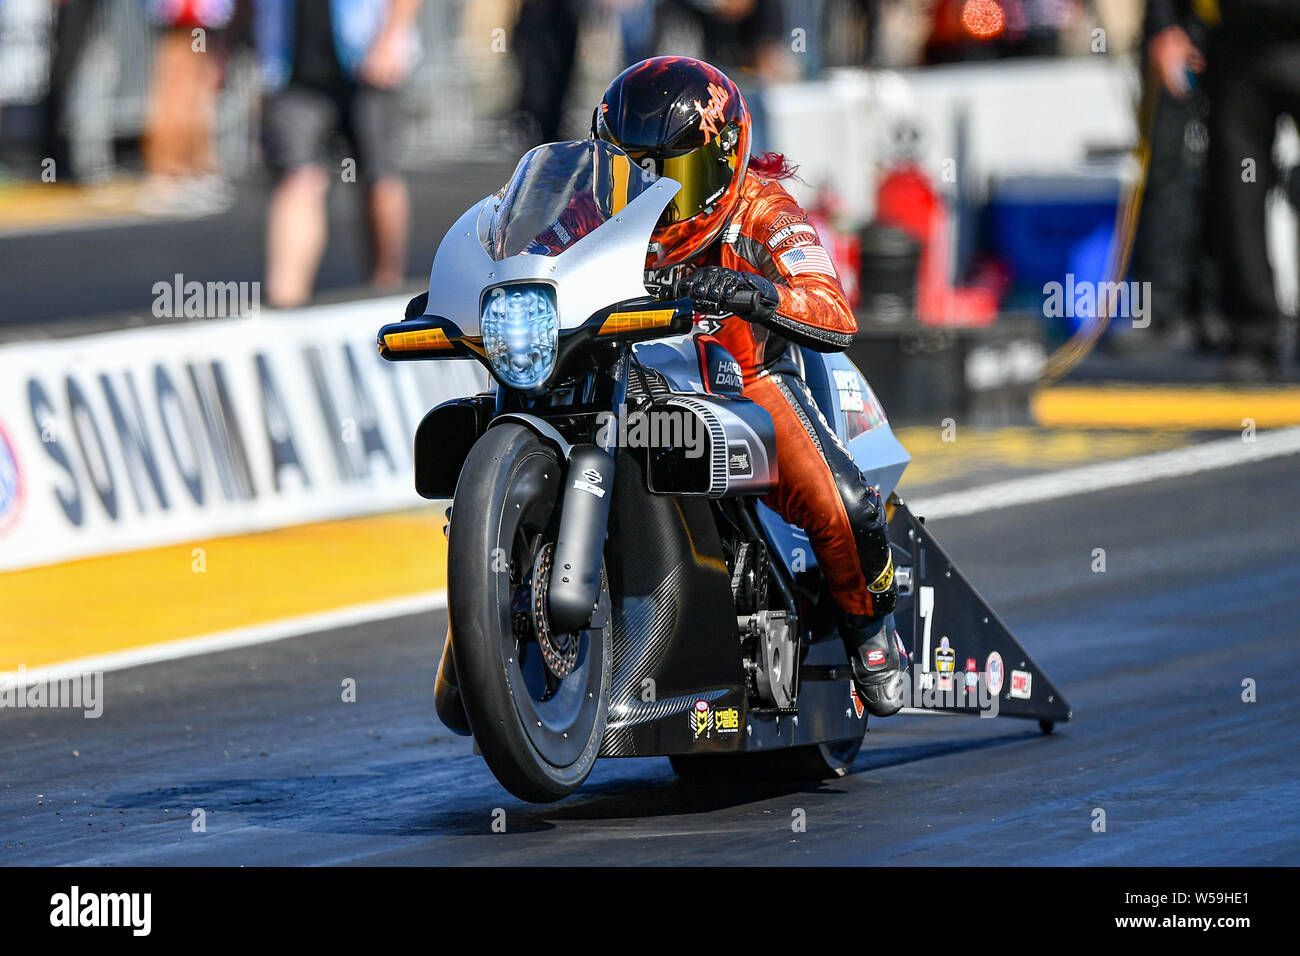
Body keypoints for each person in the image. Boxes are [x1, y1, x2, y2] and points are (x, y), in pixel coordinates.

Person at [592, 55, 904, 716]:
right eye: (633, 174)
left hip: (738, 382)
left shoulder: (761, 207)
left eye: (674, 178)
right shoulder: (589, 210)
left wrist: (752, 290)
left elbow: (834, 310)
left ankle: (870, 629)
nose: (652, 200)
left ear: (723, 161)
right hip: (619, 378)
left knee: (846, 503)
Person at [254, 0, 421, 307]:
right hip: (292, 71)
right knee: (297, 177)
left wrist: (391, 37)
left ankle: (387, 285)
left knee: (380, 179)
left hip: (368, 63)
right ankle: (285, 300)